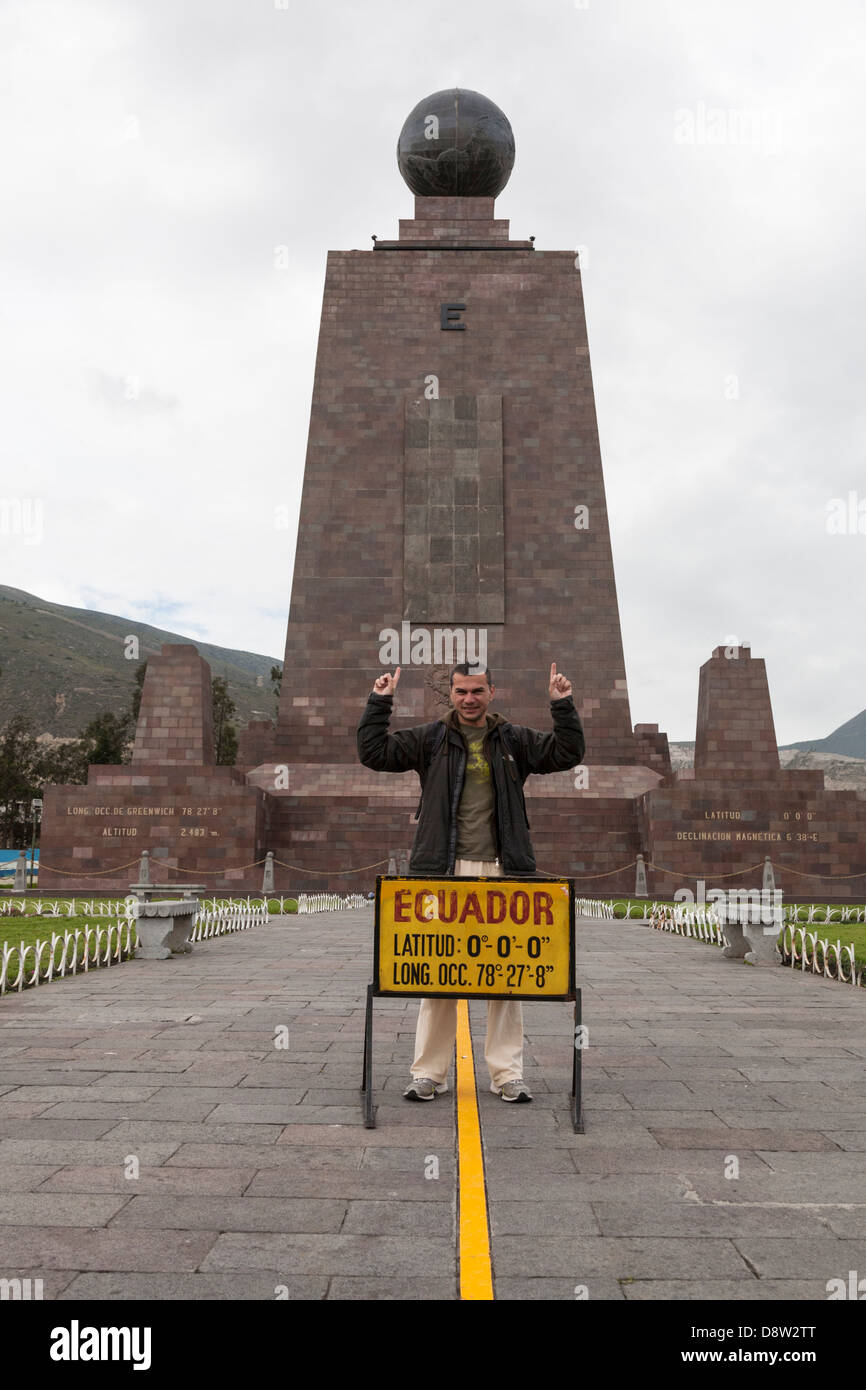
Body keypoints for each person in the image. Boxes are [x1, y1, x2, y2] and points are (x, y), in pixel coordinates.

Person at [356, 660, 585, 1103]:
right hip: (443, 870)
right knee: (436, 971)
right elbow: (374, 753)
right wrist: (379, 701)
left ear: (491, 692)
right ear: (452, 694)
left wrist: (562, 705)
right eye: (461, 691)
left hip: (502, 870)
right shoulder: (431, 738)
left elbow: (567, 753)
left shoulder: (513, 739)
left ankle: (507, 1074)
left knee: (508, 974)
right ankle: (428, 1073)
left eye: (477, 691)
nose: (468, 699)